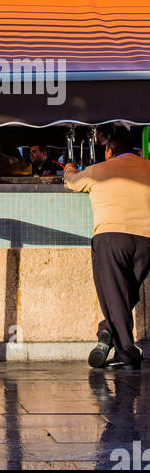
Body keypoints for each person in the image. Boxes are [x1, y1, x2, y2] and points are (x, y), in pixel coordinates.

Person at [64, 125, 150, 369]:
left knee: (112, 294)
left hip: (111, 237)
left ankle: (127, 351)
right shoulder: (148, 166)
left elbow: (70, 182)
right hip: (146, 240)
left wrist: (69, 167)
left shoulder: (100, 170)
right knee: (126, 294)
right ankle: (106, 333)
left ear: (109, 152)